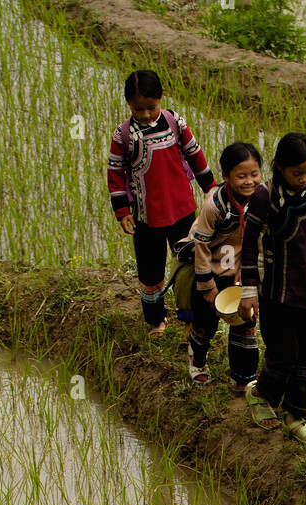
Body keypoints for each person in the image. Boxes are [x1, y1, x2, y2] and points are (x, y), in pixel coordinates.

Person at [107, 69, 214, 336]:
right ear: (128, 104)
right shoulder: (123, 136)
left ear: (161, 99)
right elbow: (115, 174)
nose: (144, 114)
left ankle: (189, 318)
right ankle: (157, 321)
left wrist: (212, 190)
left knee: (188, 267)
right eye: (137, 108)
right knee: (150, 271)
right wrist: (122, 212)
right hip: (146, 216)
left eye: (151, 107)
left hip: (182, 211)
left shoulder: (175, 122)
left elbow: (195, 155)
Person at [238, 132, 306, 444]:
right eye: (296, 173)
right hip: (277, 293)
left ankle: (294, 415)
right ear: (278, 167)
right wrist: (248, 290)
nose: (304, 179)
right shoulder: (265, 198)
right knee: (283, 354)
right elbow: (249, 244)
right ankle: (261, 394)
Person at [184, 142, 262, 388]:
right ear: (226, 177)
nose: (249, 181)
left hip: (242, 272)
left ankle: (243, 378)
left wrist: (247, 275)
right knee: (205, 323)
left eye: (254, 174)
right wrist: (207, 287)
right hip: (212, 272)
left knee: (245, 324)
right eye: (241, 176)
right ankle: (197, 360)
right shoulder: (215, 205)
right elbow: (201, 245)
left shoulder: (261, 202)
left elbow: (259, 241)